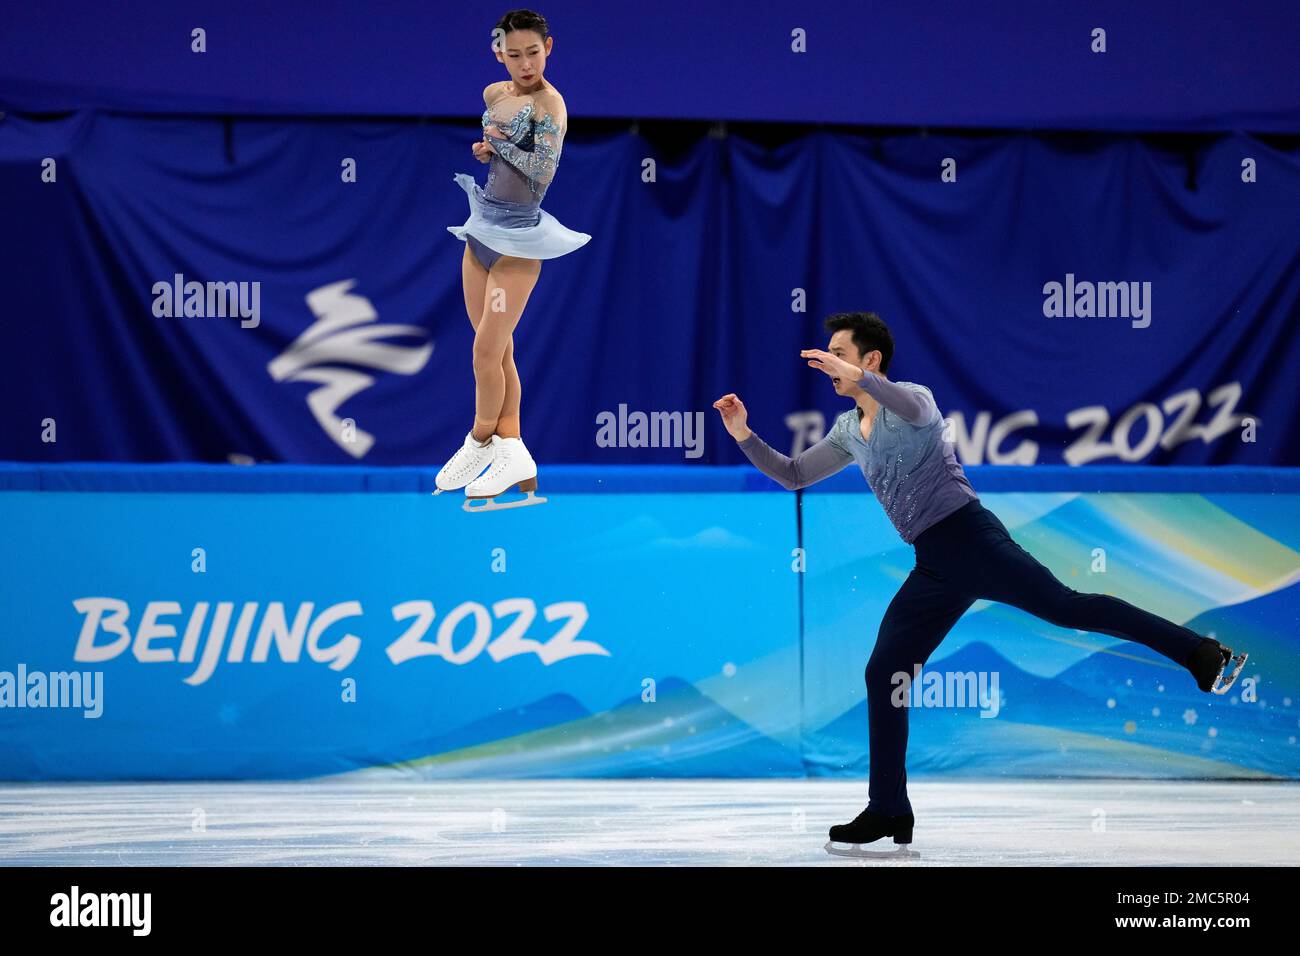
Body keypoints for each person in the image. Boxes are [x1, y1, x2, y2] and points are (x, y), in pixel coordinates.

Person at [713, 310, 1248, 850]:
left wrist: (863, 379)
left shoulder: (914, 401)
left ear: (871, 360)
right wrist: (743, 434)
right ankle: (889, 808)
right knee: (886, 670)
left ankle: (1201, 653)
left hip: (971, 538)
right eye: (826, 355)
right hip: (934, 562)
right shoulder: (849, 430)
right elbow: (795, 475)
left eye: (840, 355)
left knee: (1069, 607)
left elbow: (906, 402)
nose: (827, 363)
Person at [437, 8, 590, 512]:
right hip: (481, 227)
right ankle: (513, 450)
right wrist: (487, 151)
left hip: (520, 240)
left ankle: (480, 439)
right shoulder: (494, 94)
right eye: (515, 53)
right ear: (498, 51)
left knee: (485, 351)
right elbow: (501, 152)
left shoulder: (551, 104)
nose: (525, 64)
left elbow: (543, 169)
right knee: (497, 350)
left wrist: (500, 145)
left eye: (534, 52)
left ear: (550, 48)